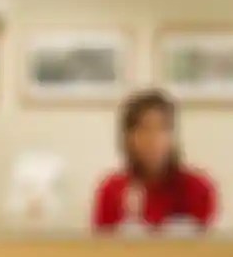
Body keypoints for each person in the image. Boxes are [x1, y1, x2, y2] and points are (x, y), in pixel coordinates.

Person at [92, 89, 218, 234]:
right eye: (144, 129)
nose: (154, 139)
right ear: (128, 138)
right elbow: (102, 250)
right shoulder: (111, 190)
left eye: (162, 128)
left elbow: (203, 249)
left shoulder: (198, 188)